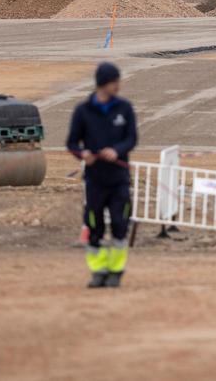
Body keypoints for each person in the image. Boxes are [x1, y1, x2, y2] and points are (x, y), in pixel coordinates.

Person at [66, 62, 138, 289]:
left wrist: (117, 150)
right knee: (94, 225)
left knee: (119, 223)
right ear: (104, 83)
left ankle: (116, 271)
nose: (119, 85)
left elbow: (132, 138)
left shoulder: (124, 108)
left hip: (119, 178)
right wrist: (82, 154)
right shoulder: (83, 111)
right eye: (115, 81)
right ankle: (98, 271)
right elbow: (71, 142)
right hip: (95, 180)